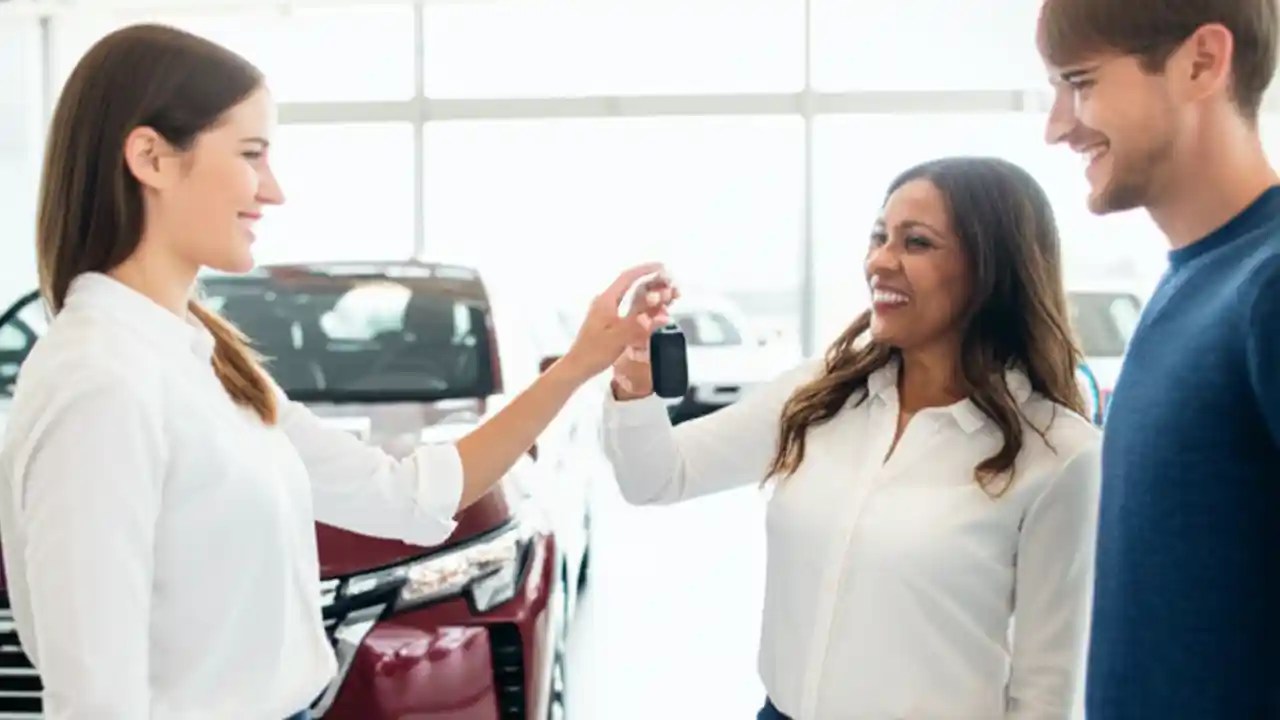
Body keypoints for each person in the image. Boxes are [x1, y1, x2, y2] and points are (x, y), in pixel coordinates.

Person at [0, 24, 673, 719]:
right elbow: (93, 701)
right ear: (152, 159)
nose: (274, 190)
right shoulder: (101, 382)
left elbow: (405, 496)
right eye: (251, 154)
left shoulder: (200, 358)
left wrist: (579, 364)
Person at [606, 156, 1102, 719]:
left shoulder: (1059, 455)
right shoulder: (819, 396)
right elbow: (655, 476)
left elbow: (1045, 690)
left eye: (916, 243)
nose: (879, 261)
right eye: (878, 237)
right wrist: (632, 382)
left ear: (992, 269)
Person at [1038, 0, 1280, 716]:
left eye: (1080, 82)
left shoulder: (1267, 287)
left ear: (1201, 63)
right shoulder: (1194, 283)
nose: (1057, 127)